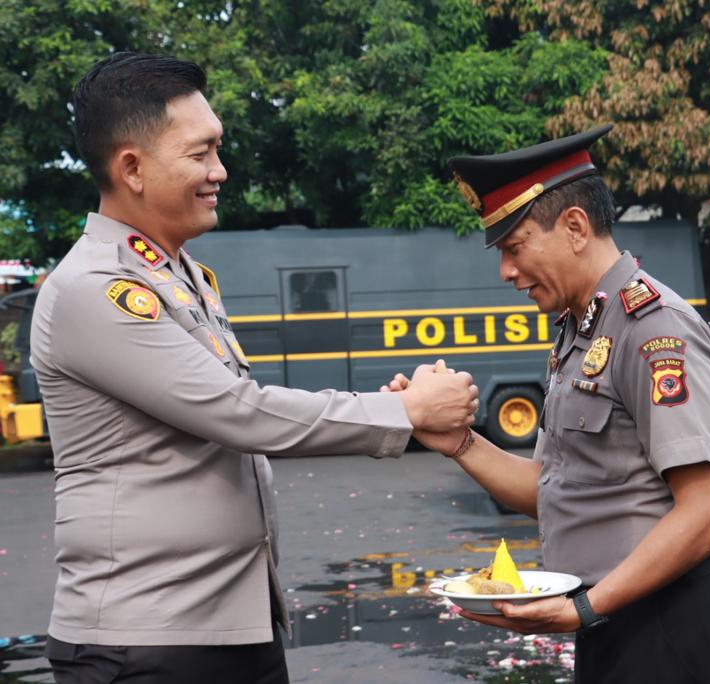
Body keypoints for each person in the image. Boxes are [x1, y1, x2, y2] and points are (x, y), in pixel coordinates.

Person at [36, 53, 478, 684]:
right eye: (201, 153)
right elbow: (237, 412)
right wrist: (405, 412)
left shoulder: (179, 274)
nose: (220, 171)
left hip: (228, 625)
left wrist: (399, 413)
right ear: (131, 168)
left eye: (218, 150)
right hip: (146, 639)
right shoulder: (94, 288)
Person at [389, 126, 710, 682]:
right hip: (618, 618)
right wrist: (459, 444)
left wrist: (585, 608)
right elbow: (551, 490)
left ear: (574, 227)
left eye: (514, 247)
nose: (505, 271)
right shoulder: (579, 331)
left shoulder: (652, 326)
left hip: (677, 625)